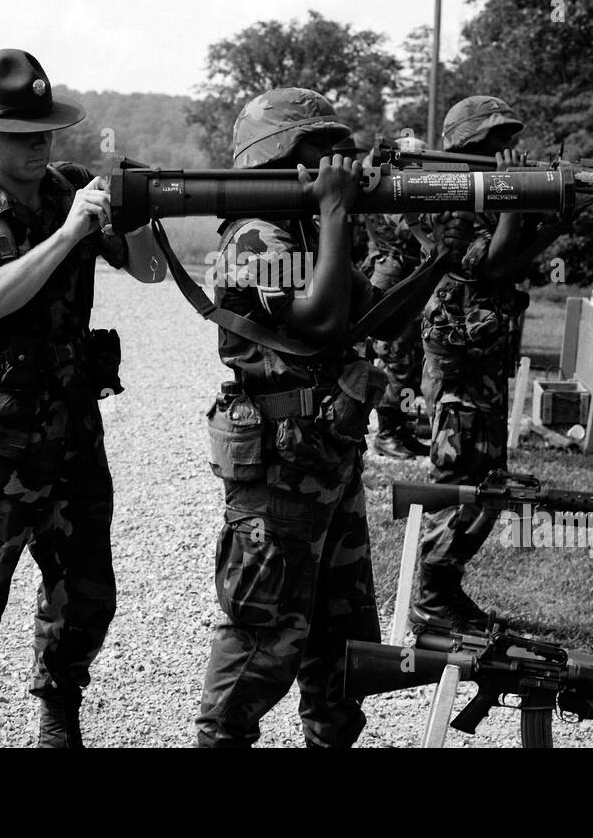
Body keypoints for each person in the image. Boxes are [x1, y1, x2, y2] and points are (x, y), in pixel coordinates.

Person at [0, 48, 164, 749]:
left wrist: (137, 212)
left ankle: (59, 710)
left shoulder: (72, 188)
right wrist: (68, 235)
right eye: (22, 136)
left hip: (75, 433)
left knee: (84, 591)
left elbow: (148, 271)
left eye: (45, 134)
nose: (38, 148)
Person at [195, 87, 429, 748]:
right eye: (324, 149)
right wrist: (333, 213)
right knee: (263, 640)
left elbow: (382, 315)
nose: (341, 161)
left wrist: (435, 251)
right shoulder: (253, 236)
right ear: (275, 157)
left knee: (342, 646)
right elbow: (320, 323)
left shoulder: (307, 229)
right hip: (279, 475)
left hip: (329, 467)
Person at [410, 96, 555, 633]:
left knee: (487, 483)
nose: (506, 149)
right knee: (463, 483)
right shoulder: (454, 192)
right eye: (495, 140)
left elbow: (508, 267)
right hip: (460, 364)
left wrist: (554, 225)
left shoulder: (488, 189)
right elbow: (486, 263)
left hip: (482, 362)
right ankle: (430, 599)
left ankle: (444, 590)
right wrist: (516, 200)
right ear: (468, 143)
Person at [362, 206, 428, 459]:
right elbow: (404, 229)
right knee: (397, 359)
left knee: (410, 363)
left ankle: (400, 429)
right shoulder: (386, 182)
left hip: (410, 274)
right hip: (393, 277)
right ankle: (386, 434)